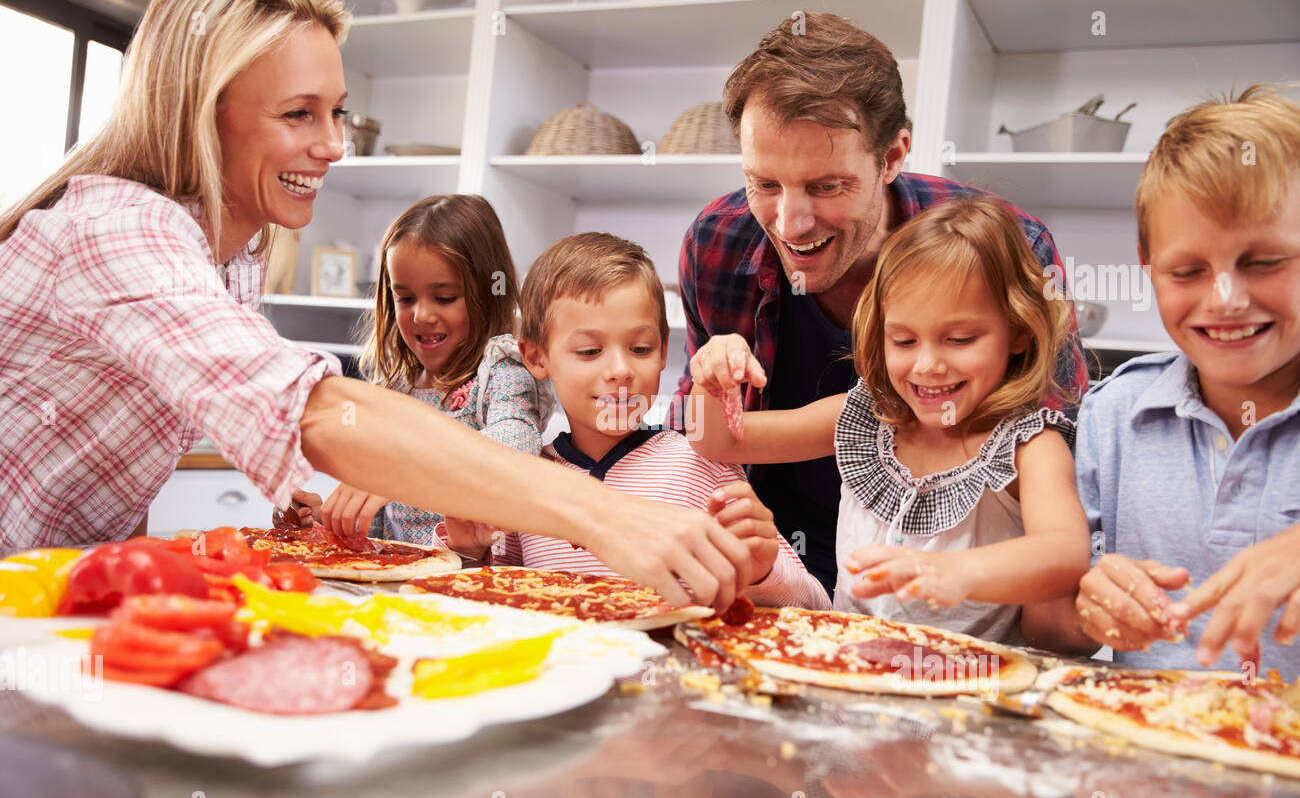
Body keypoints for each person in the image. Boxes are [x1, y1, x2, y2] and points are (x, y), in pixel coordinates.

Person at [0, 0, 752, 610]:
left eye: (336, 111)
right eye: (299, 113)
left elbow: (238, 406)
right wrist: (607, 514)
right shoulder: (120, 230)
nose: (333, 144)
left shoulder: (237, 252)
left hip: (43, 590)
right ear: (203, 110)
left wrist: (301, 493)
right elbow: (320, 412)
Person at [668, 12, 1087, 595]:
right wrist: (709, 381)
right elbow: (708, 439)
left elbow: (1064, 517)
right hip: (781, 580)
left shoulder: (1008, 250)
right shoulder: (715, 244)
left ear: (892, 157)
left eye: (826, 185)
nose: (790, 224)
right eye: (764, 184)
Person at [689, 197, 1090, 642]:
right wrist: (712, 378)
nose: (927, 365)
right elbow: (719, 441)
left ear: (1017, 332)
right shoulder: (867, 418)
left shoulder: (1029, 446)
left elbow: (1064, 554)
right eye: (904, 340)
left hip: (967, 697)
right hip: (845, 678)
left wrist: (949, 572)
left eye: (959, 339)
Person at [1022, 86, 1300, 678]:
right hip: (1152, 742)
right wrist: (1090, 611)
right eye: (1188, 271)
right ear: (1147, 266)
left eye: (1264, 262)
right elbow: (1045, 623)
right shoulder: (1113, 413)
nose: (1225, 299)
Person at [445, 232, 829, 610]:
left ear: (664, 349)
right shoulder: (525, 478)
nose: (619, 370)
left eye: (640, 348)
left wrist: (762, 573)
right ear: (535, 357)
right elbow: (490, 608)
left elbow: (815, 606)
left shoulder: (701, 465)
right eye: (590, 350)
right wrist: (467, 550)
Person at [311, 195, 553, 543]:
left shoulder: (503, 372)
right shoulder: (395, 389)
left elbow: (511, 449)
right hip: (403, 579)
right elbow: (379, 528)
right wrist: (326, 519)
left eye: (444, 298)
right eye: (405, 298)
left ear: (488, 293)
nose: (421, 315)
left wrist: (400, 468)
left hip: (472, 580)